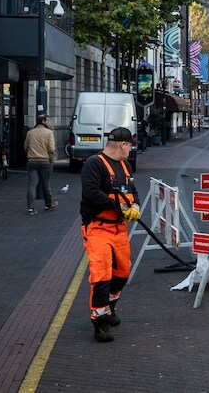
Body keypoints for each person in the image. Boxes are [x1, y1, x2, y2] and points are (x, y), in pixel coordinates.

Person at [79, 127, 140, 343]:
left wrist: (136, 206)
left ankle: (110, 308)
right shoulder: (94, 164)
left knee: (122, 271)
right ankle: (100, 322)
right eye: (131, 145)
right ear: (122, 145)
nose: (132, 149)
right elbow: (91, 193)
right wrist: (120, 207)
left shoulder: (126, 166)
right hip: (97, 228)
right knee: (101, 274)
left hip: (119, 228)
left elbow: (133, 191)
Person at [24, 114, 57, 215]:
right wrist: (52, 160)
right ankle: (48, 204)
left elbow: (25, 147)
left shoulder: (30, 133)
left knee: (32, 185)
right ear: (43, 121)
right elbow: (51, 149)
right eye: (47, 121)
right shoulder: (49, 133)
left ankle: (31, 208)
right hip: (45, 161)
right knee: (46, 184)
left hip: (32, 161)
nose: (48, 122)